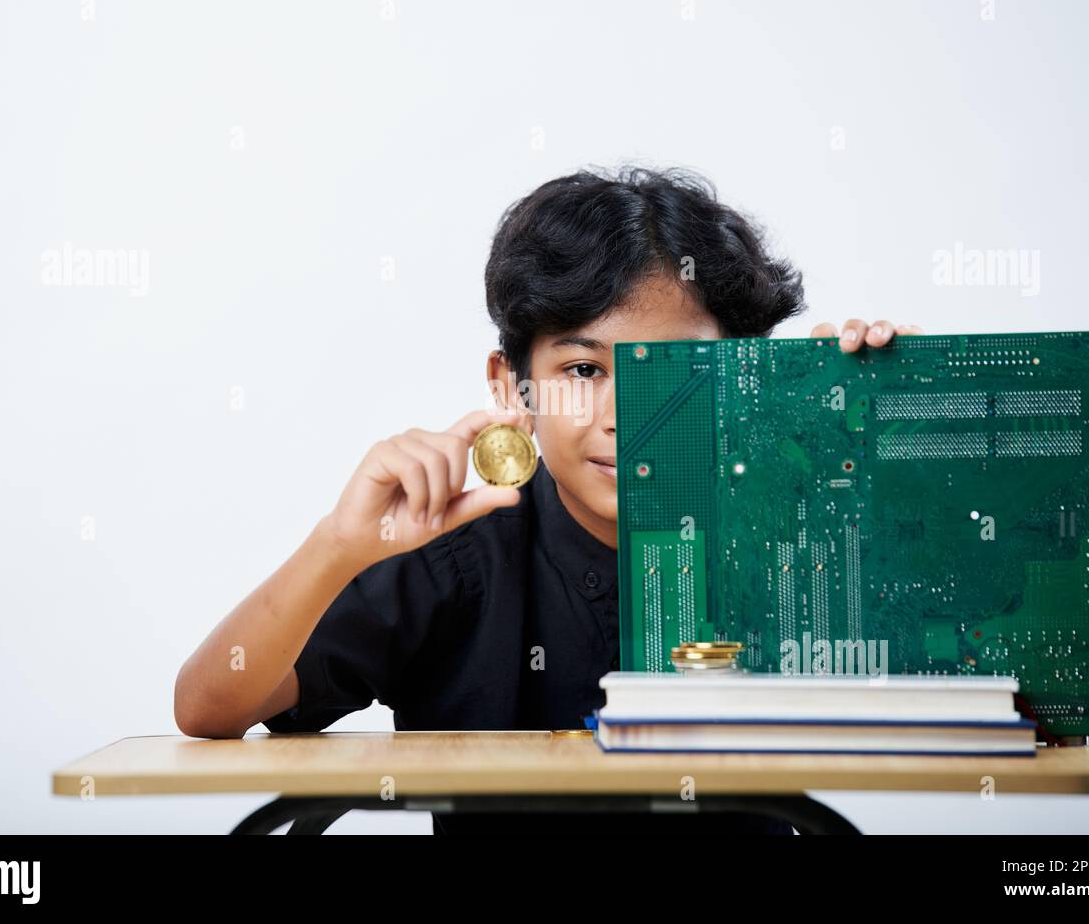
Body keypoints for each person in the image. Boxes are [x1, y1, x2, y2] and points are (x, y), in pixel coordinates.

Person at [174, 165, 921, 834]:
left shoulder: (795, 532)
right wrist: (337, 545)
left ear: (741, 379)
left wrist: (901, 435)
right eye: (584, 369)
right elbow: (209, 707)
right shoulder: (454, 554)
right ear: (511, 386)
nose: (627, 416)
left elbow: (1001, 681)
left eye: (676, 371)